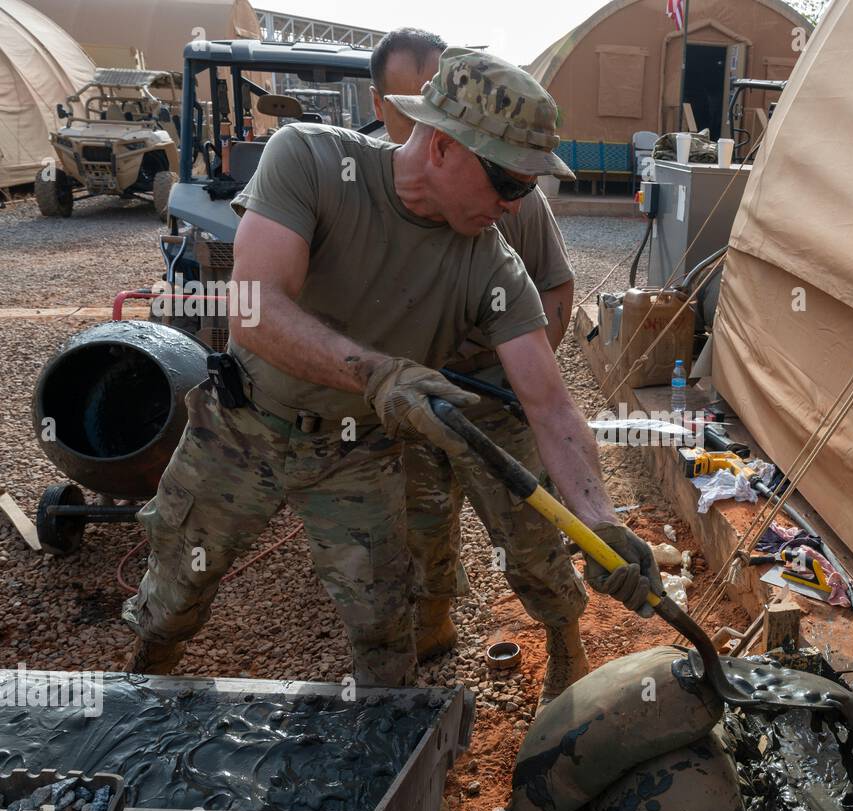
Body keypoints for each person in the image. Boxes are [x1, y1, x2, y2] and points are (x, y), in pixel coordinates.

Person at [121, 48, 664, 689]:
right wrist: (378, 374)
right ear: (439, 147)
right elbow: (253, 308)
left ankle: (390, 771)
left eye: (529, 186)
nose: (517, 205)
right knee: (174, 600)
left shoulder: (491, 265)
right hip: (241, 428)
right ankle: (136, 697)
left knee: (384, 631)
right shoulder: (310, 160)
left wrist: (600, 521)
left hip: (355, 452)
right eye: (510, 182)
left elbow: (549, 405)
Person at [369, 28, 587, 703]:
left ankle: (565, 642)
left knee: (528, 535)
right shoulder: (366, 189)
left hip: (491, 399)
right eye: (415, 100)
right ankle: (432, 622)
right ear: (387, 108)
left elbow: (556, 288)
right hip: (404, 399)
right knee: (417, 526)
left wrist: (523, 379)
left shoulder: (511, 196)